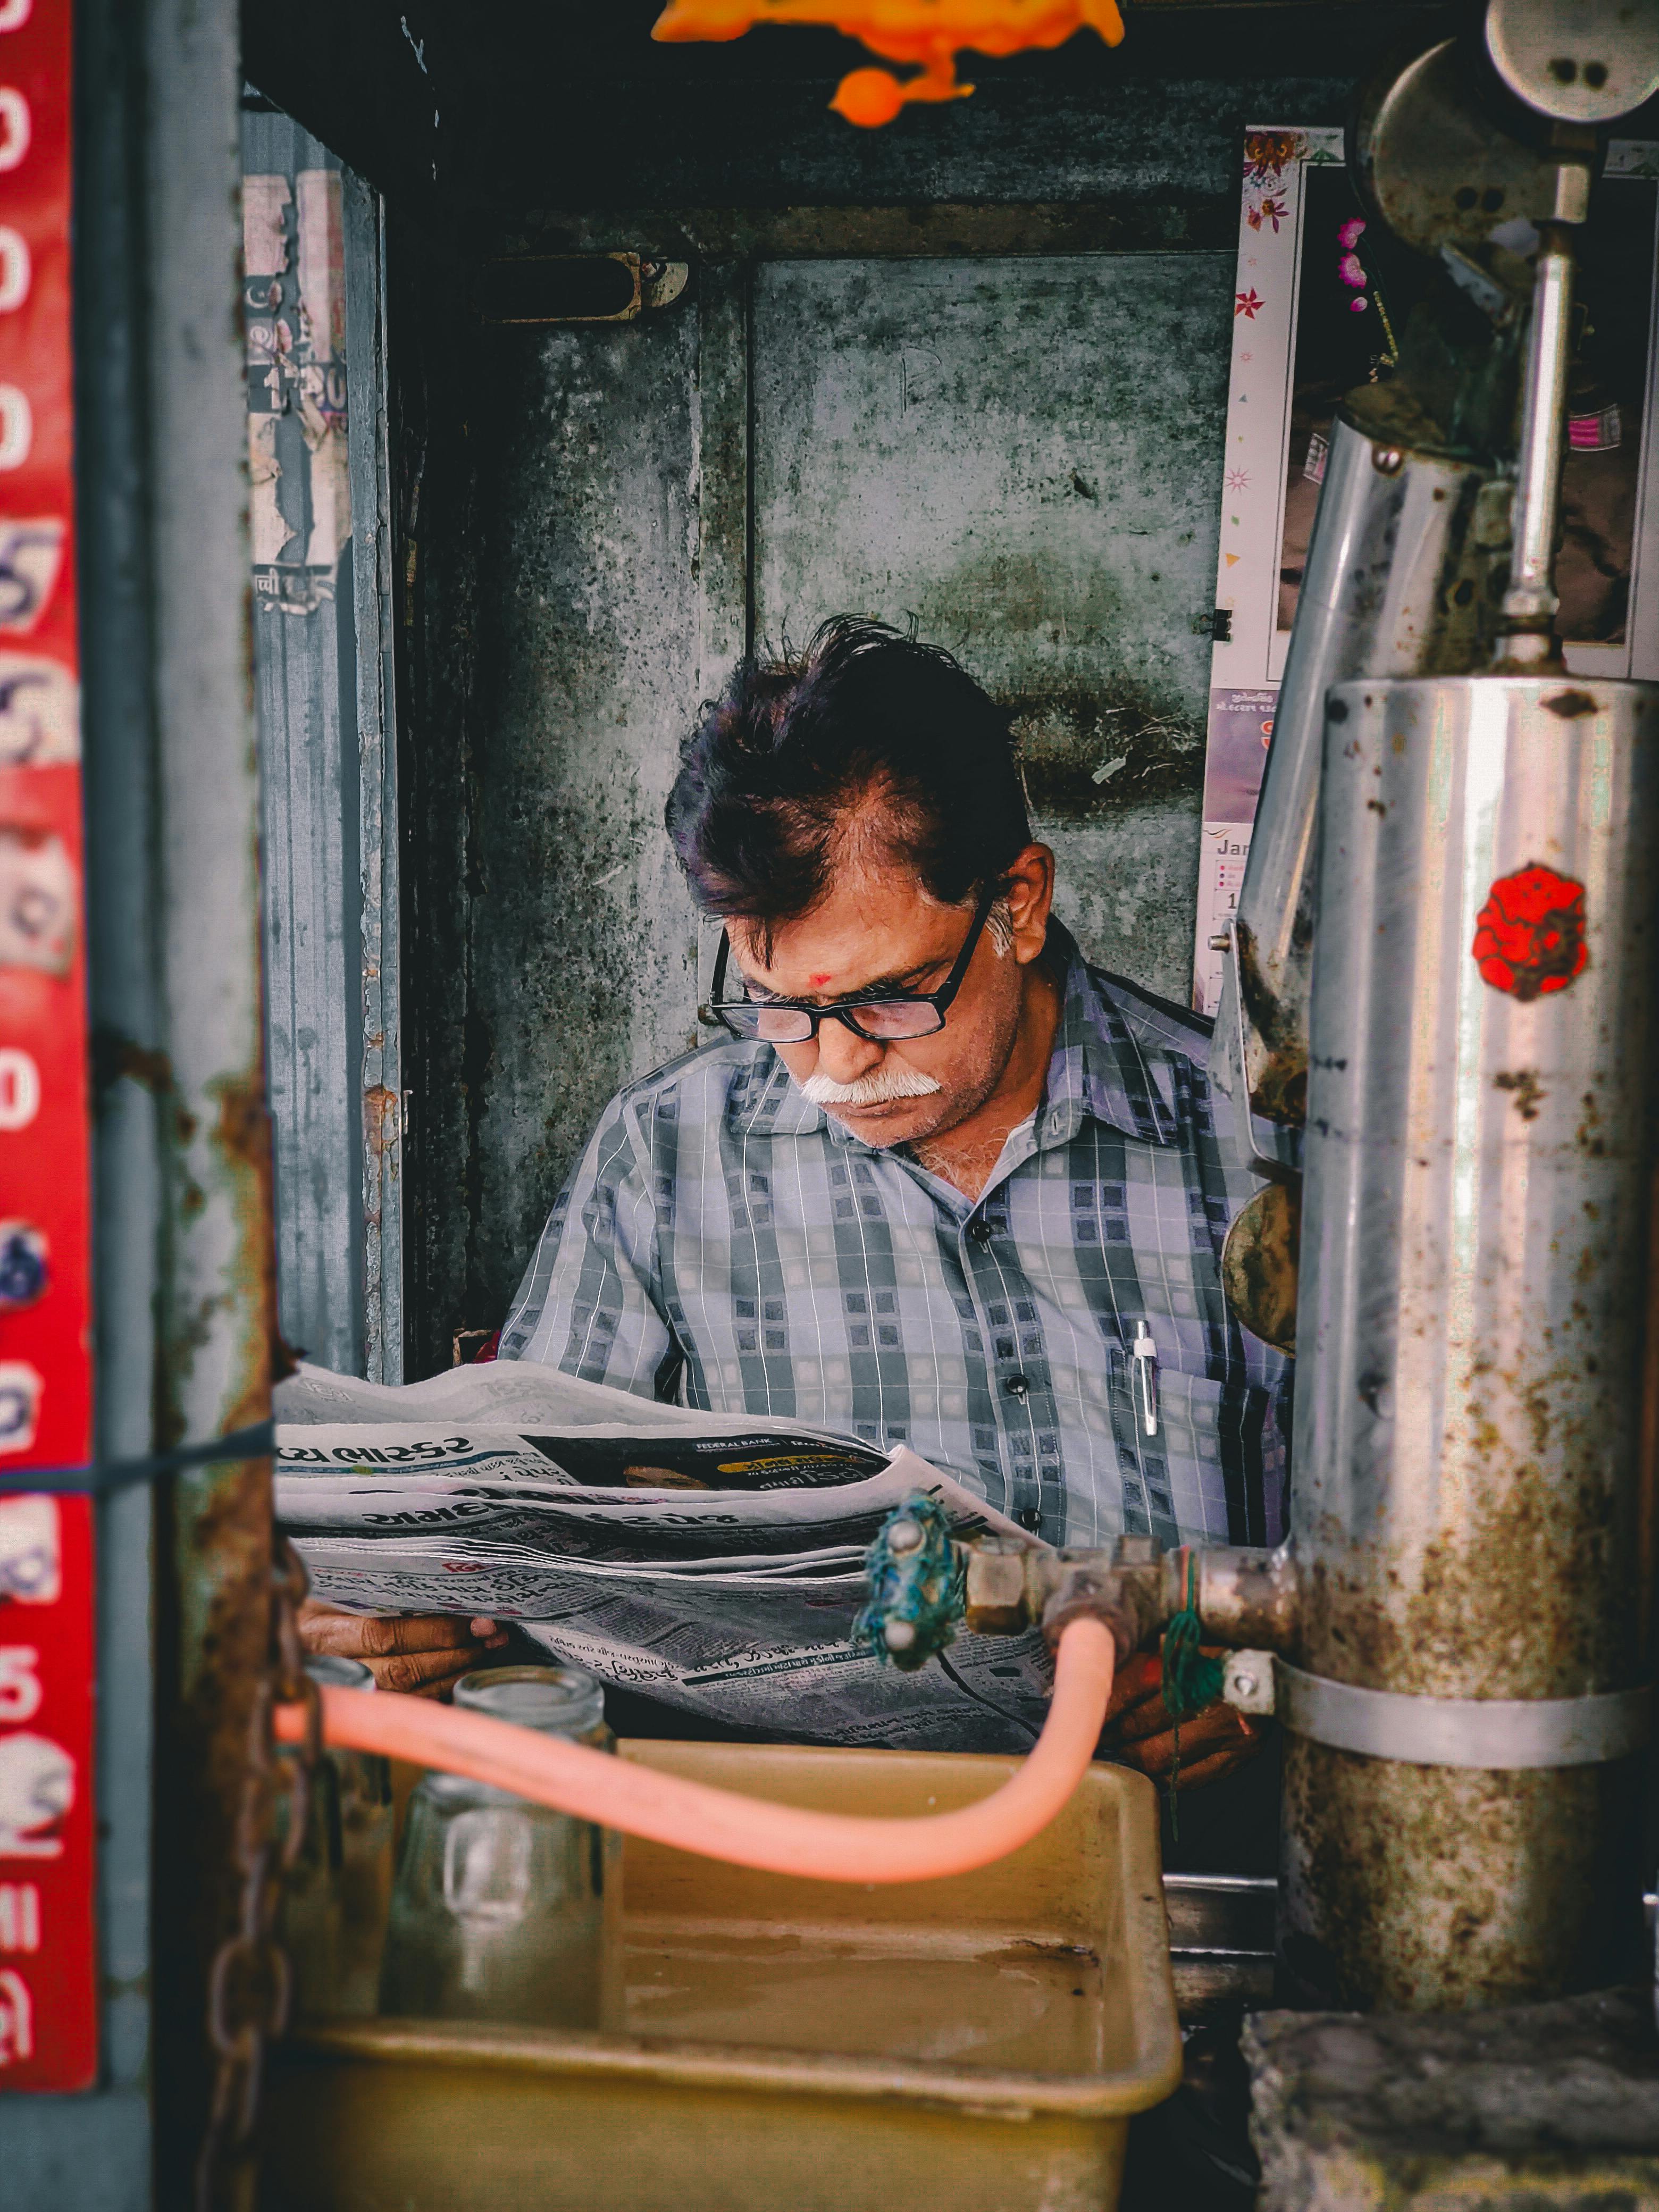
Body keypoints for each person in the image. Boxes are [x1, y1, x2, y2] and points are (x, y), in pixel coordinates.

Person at [301, 620, 1289, 1804]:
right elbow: (525, 1543)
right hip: (792, 1864)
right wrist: (436, 1631)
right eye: (776, 1007)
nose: (829, 1068)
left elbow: (1394, 1584)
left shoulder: (1260, 1161)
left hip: (1179, 1872)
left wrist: (1262, 1672)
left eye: (887, 1001)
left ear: (1017, 904)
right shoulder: (669, 1152)